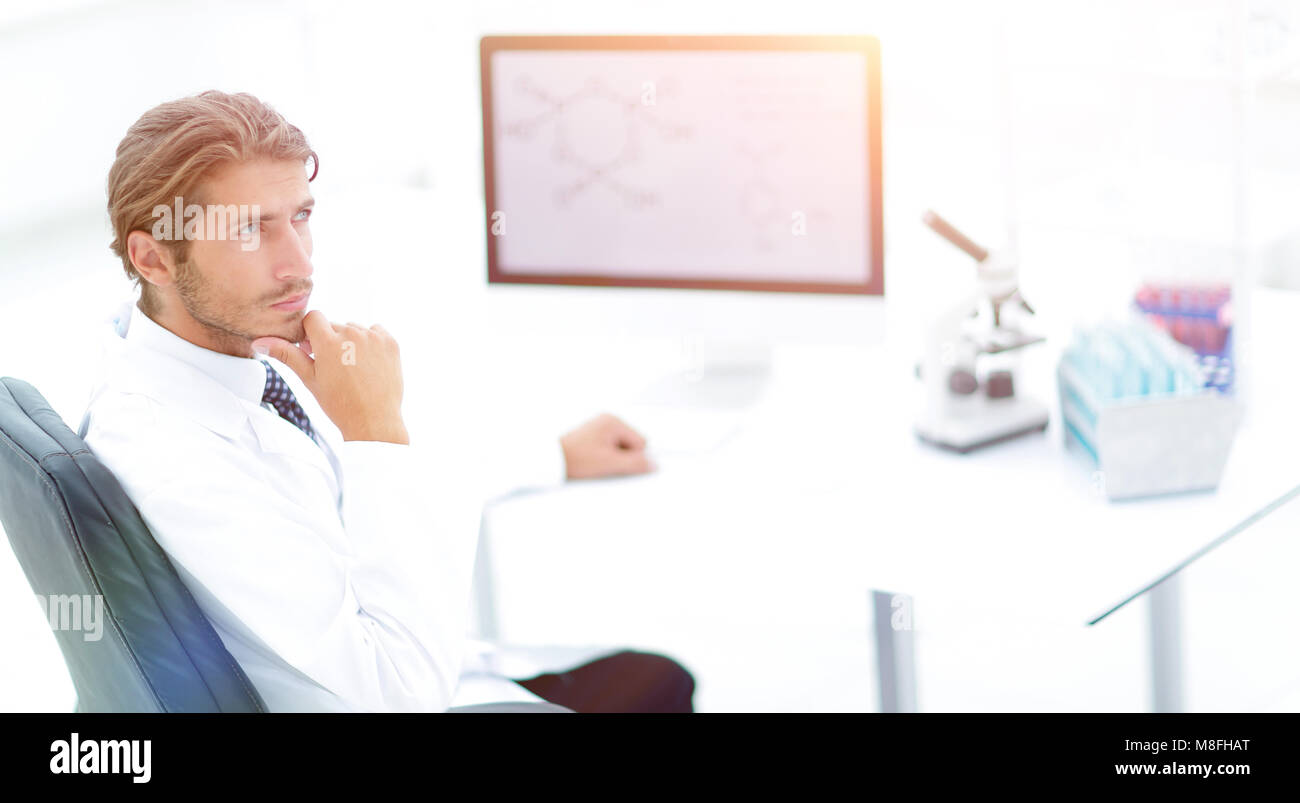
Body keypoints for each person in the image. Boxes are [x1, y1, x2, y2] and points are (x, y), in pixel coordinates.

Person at [79, 90, 693, 713]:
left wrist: (548, 457)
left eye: (301, 217)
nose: (300, 264)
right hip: (409, 693)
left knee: (658, 680)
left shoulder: (221, 357)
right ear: (153, 257)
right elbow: (398, 695)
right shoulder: (178, 465)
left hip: (446, 670)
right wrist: (375, 432)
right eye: (248, 229)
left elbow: (344, 498)